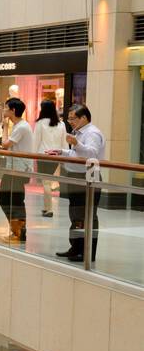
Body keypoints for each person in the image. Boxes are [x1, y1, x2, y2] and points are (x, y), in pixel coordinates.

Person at [55, 104, 106, 263]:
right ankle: (76, 247)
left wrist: (76, 143)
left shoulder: (93, 133)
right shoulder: (79, 132)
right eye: (68, 118)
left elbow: (92, 154)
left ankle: (86, 252)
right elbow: (78, 154)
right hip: (77, 176)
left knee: (87, 216)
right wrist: (62, 152)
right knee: (76, 215)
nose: (70, 121)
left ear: (84, 118)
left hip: (88, 177)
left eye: (73, 118)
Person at [0, 97, 34, 244]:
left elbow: (6, 144)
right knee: (10, 199)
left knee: (12, 200)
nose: (3, 110)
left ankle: (18, 232)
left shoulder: (21, 127)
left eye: (6, 108)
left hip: (19, 169)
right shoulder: (19, 126)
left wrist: (4, 127)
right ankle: (17, 231)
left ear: (13, 111)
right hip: (14, 168)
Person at [32, 99, 67, 218]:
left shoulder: (40, 123)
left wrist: (32, 156)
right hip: (56, 156)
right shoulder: (61, 124)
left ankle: (49, 209)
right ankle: (46, 207)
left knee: (45, 183)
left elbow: (36, 141)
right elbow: (64, 143)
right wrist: (64, 157)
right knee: (49, 181)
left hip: (43, 155)